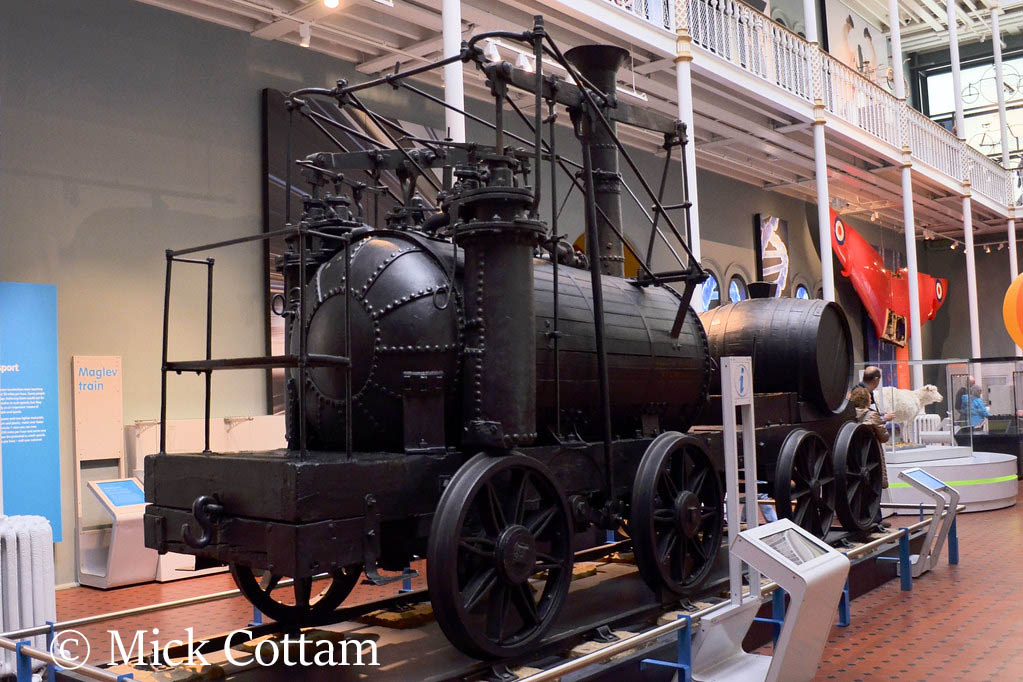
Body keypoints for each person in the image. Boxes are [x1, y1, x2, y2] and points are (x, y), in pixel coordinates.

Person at [847, 366, 892, 489]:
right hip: (871, 452)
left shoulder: (849, 415)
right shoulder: (871, 415)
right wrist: (883, 419)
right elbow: (884, 437)